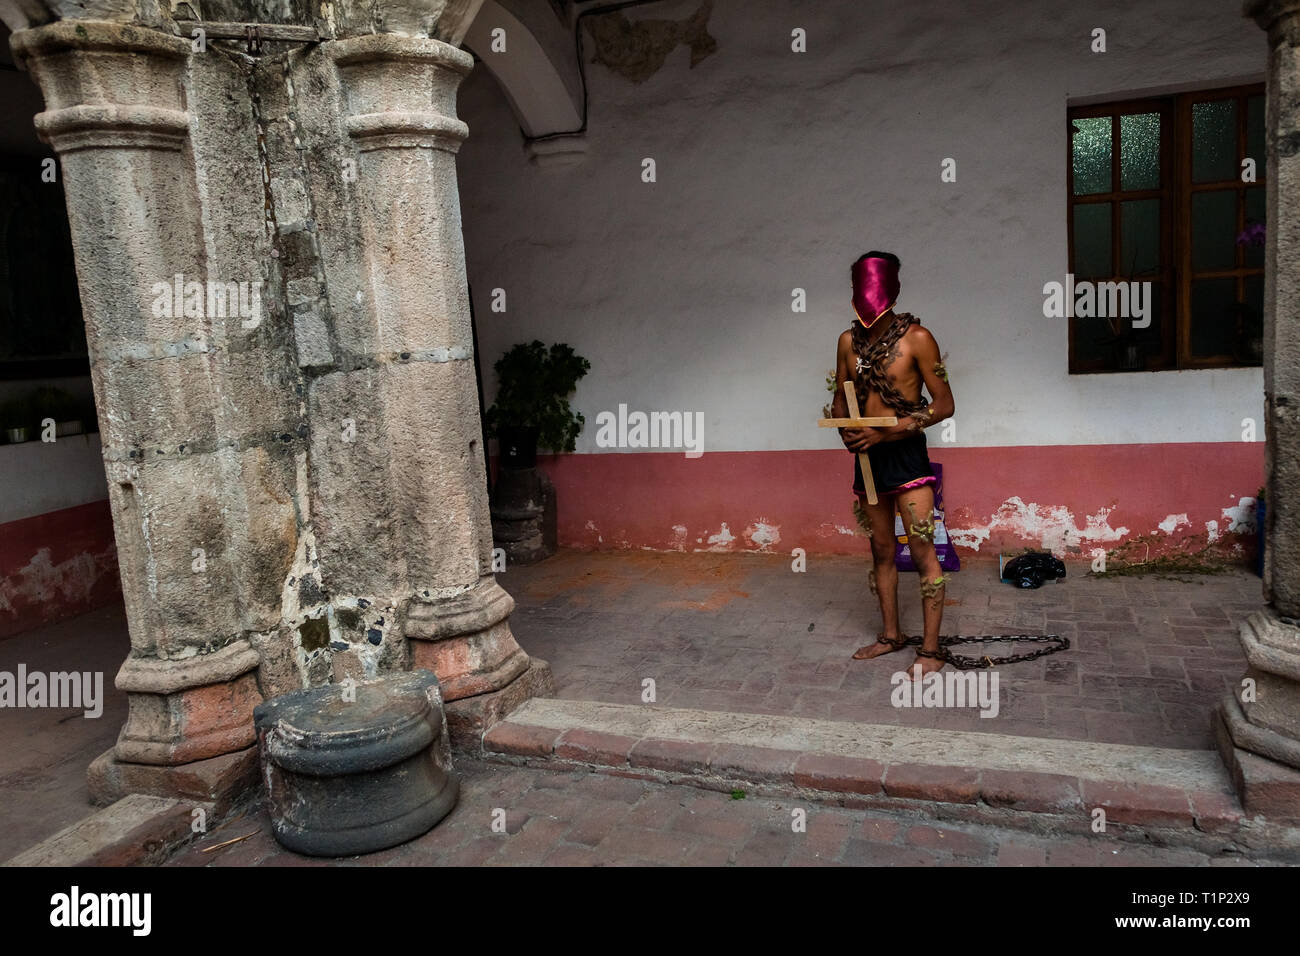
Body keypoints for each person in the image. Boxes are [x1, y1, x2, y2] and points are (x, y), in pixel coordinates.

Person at [832, 251, 955, 679]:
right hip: (866, 459)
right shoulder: (848, 343)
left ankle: (932, 649)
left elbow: (944, 406)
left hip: (906, 456)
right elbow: (839, 401)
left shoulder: (918, 339)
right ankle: (890, 636)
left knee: (922, 551)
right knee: (881, 550)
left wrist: (888, 431)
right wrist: (846, 432)